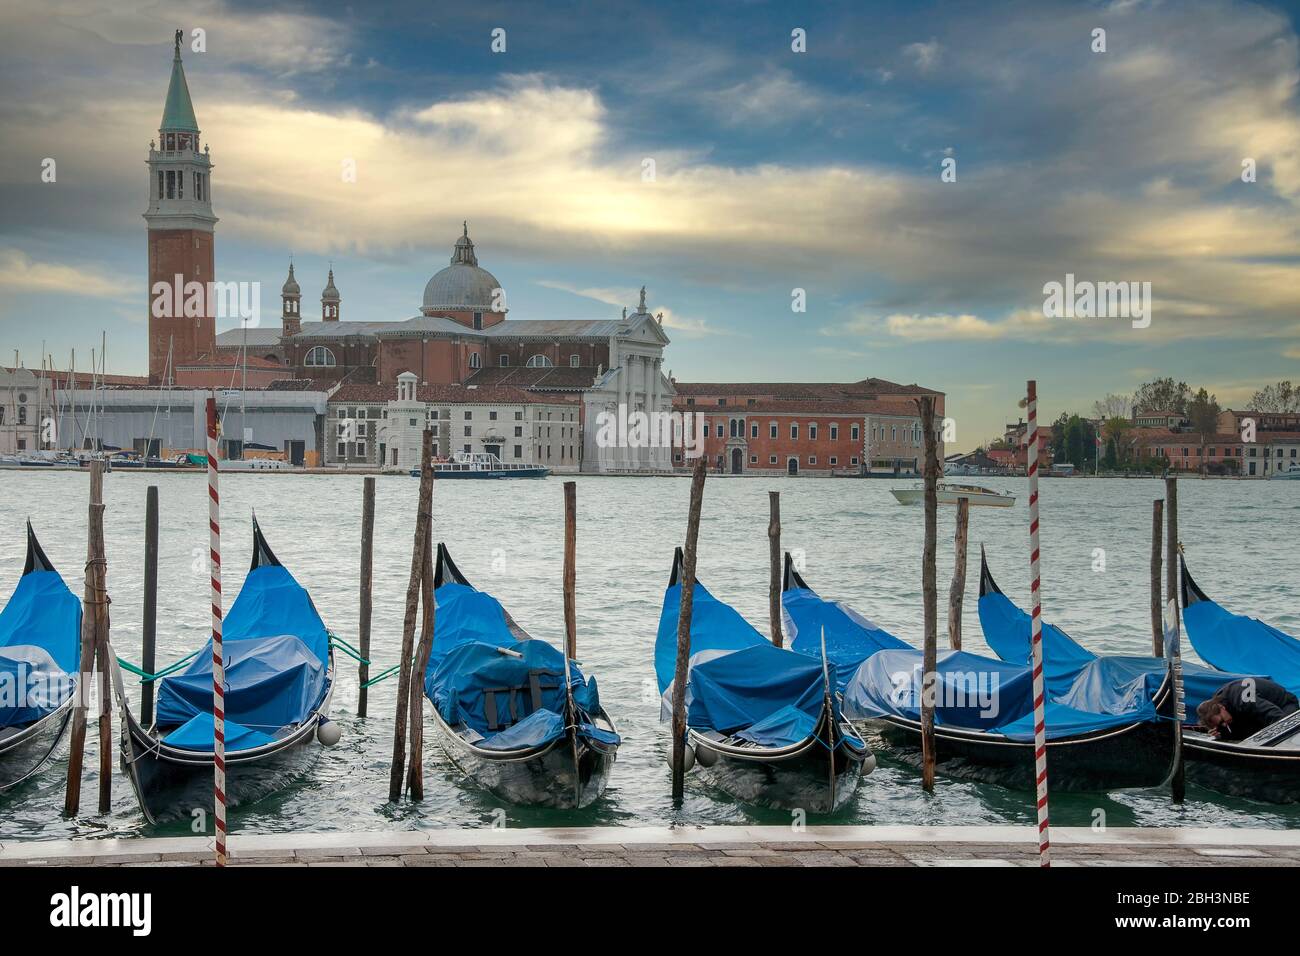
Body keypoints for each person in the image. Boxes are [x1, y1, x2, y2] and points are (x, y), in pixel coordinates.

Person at [1196, 677, 1299, 741]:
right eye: (1219, 724)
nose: (1224, 724)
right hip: (1252, 712)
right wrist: (1220, 734)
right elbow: (1233, 728)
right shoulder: (1220, 703)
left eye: (1222, 721)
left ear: (1221, 707)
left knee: (1284, 728)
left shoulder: (1244, 700)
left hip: (1284, 704)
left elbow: (1273, 713)